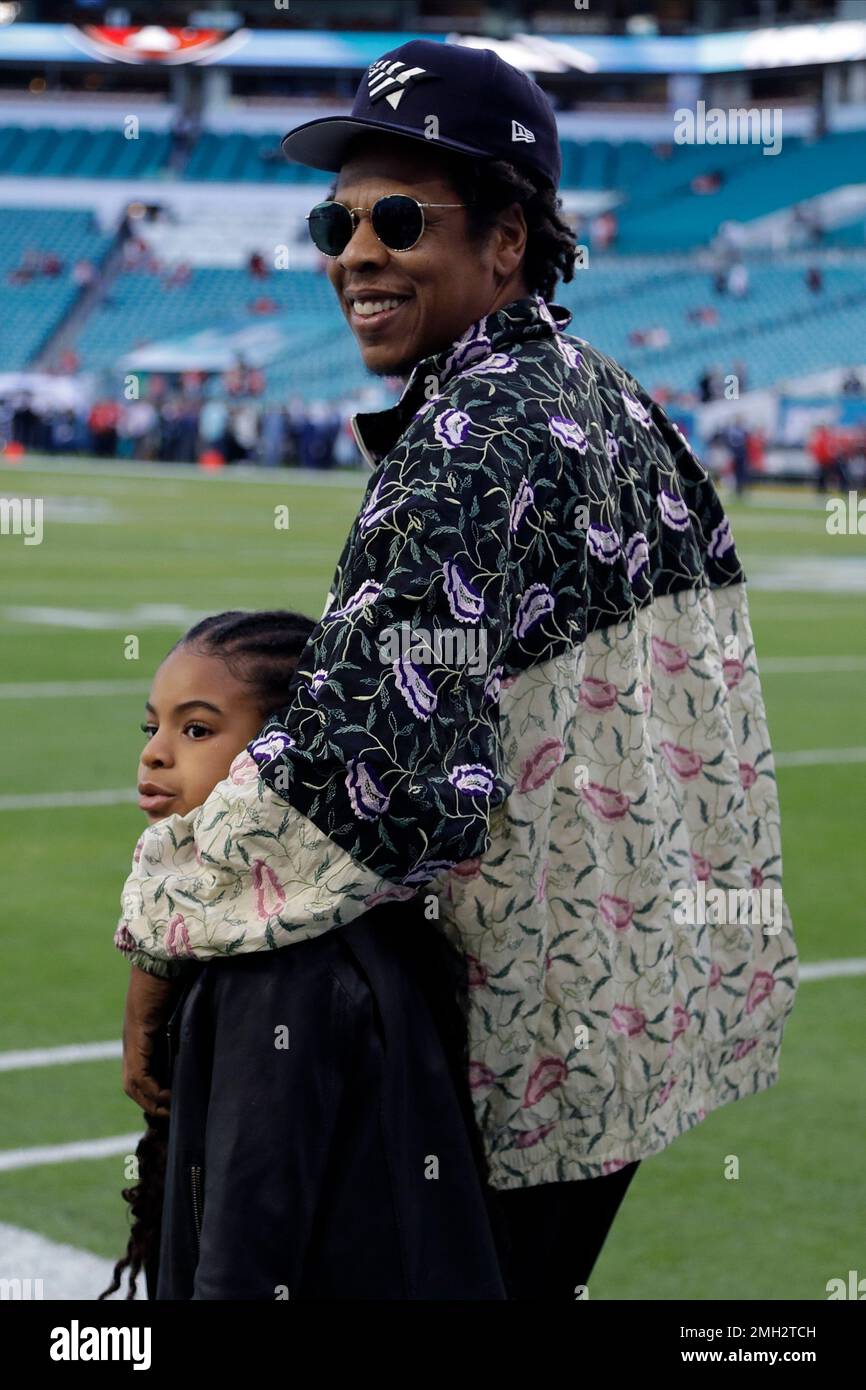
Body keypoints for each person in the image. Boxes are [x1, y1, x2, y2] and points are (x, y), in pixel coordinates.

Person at [117, 39, 799, 1301]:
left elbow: (379, 782)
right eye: (338, 219)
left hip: (511, 1062)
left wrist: (164, 937)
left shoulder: (471, 436)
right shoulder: (612, 401)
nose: (354, 252)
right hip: (629, 1033)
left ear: (506, 241)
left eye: (396, 218)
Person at [107, 609, 506, 1300]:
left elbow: (245, 1254)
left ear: (283, 755)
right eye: (154, 727)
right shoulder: (353, 904)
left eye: (196, 730)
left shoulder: (278, 970)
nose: (155, 753)